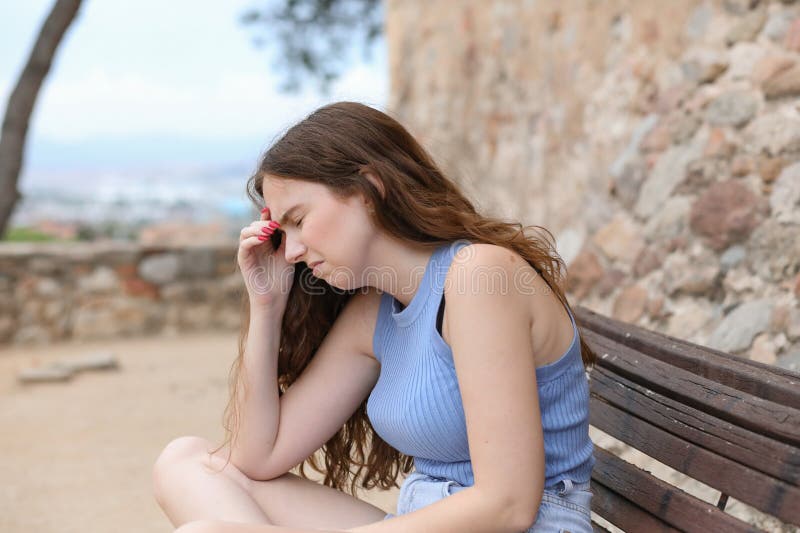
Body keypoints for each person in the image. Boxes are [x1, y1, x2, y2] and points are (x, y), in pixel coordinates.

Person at [152, 101, 596, 533]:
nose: (291, 251)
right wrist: (266, 306)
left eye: (299, 220)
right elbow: (257, 458)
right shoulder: (375, 309)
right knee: (184, 462)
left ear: (369, 189)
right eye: (281, 232)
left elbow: (508, 506)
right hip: (428, 519)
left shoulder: (477, 276)